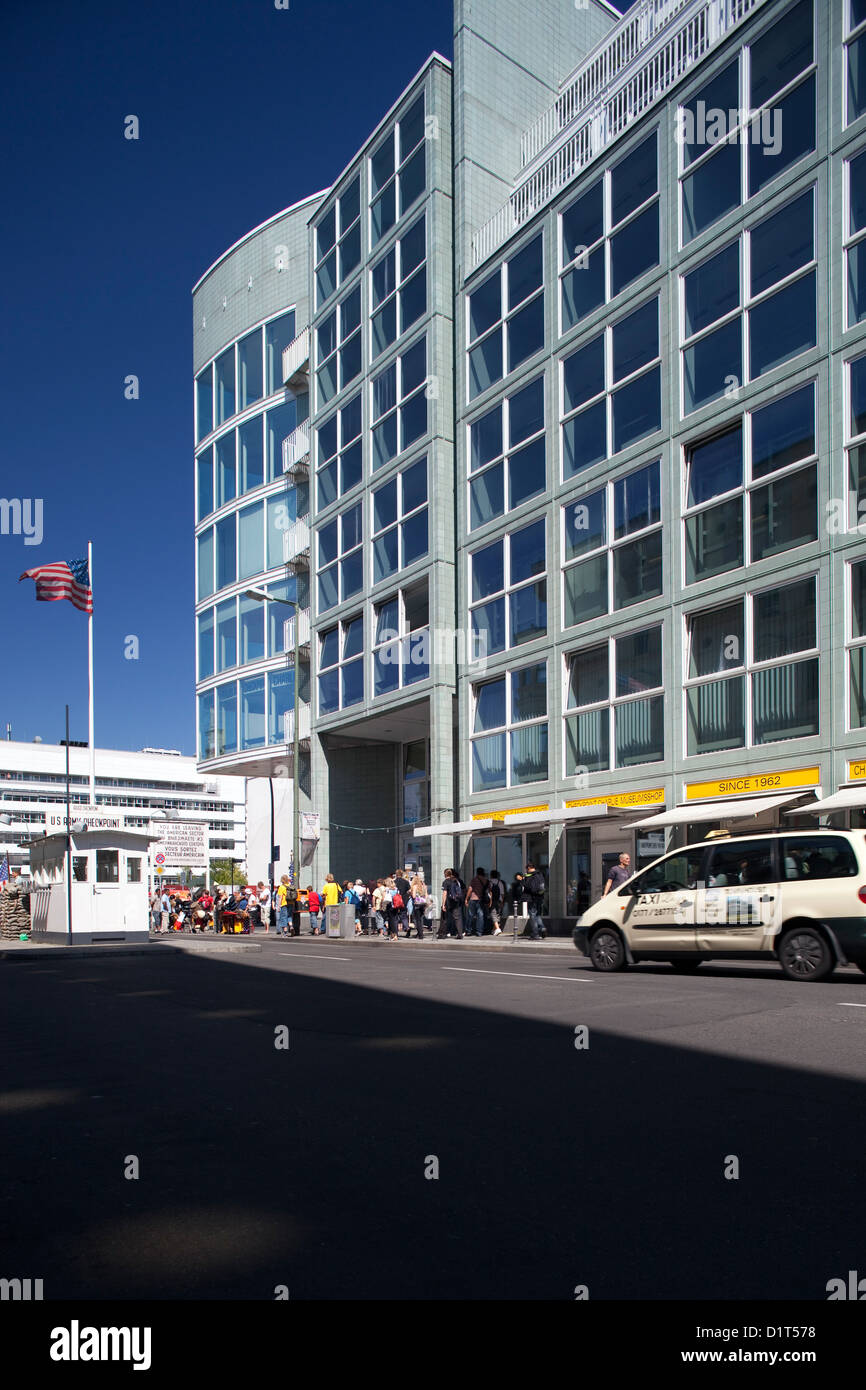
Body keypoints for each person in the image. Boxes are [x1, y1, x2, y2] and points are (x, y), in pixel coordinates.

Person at [439, 868, 465, 938]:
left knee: (444, 918)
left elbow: (445, 893)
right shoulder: (456, 881)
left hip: (448, 902)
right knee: (457, 918)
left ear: (445, 874)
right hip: (456, 902)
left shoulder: (445, 882)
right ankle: (460, 934)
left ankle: (442, 934)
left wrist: (443, 904)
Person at [464, 866, 490, 938]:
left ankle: (468, 931)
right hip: (481, 900)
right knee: (480, 916)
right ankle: (479, 932)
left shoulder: (474, 879)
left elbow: (470, 889)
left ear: (477, 872)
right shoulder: (486, 880)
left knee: (470, 915)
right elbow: (489, 891)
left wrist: (466, 898)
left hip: (473, 899)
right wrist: (489, 901)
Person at [524, 861, 546, 941]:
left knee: (532, 915)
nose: (526, 871)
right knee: (538, 915)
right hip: (540, 898)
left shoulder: (531, 876)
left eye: (527, 869)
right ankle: (542, 927)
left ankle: (535, 934)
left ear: (529, 868)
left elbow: (530, 887)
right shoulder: (540, 874)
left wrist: (523, 881)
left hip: (532, 898)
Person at [393, 868, 411, 934]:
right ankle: (407, 927)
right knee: (403, 915)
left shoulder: (394, 882)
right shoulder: (406, 882)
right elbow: (409, 891)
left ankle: (395, 932)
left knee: (395, 916)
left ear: (396, 874)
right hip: (403, 901)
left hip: (395, 901)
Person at [409, 875, 428, 939]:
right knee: (421, 918)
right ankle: (420, 932)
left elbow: (414, 896)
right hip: (423, 904)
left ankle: (420, 934)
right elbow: (426, 896)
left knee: (417, 919)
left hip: (417, 904)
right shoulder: (424, 886)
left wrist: (411, 893)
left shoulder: (414, 886)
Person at [488, 869, 505, 936]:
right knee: (498, 914)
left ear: (491, 875)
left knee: (493, 914)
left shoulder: (489, 882)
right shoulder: (500, 882)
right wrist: (502, 902)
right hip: (499, 900)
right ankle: (494, 930)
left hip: (492, 900)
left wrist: (489, 901)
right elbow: (503, 893)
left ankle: (497, 929)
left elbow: (488, 892)